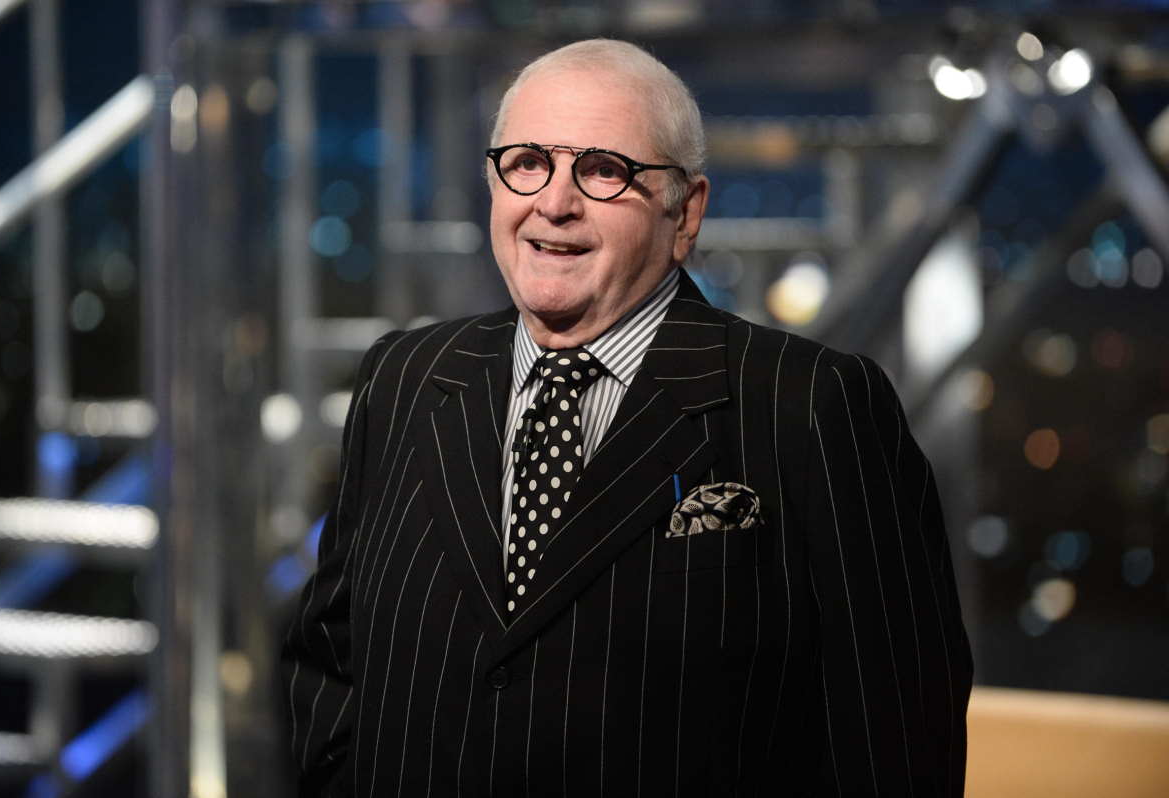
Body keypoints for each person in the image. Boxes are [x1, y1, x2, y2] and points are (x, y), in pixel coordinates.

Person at [283, 38, 972, 797]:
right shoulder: (404, 379)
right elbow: (331, 663)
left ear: (686, 213)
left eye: (604, 170)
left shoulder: (812, 404)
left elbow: (898, 738)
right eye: (527, 163)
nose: (554, 203)